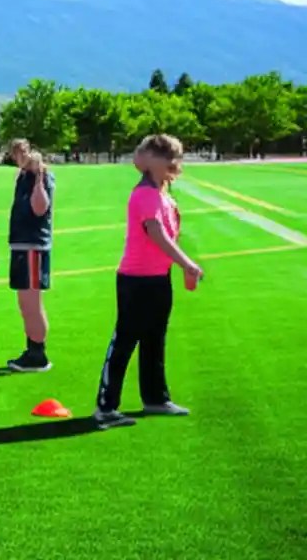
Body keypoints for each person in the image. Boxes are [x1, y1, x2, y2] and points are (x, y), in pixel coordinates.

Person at [93, 135, 204, 429]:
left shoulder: (162, 194)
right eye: (169, 157)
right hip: (136, 280)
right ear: (154, 159)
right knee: (125, 340)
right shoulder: (144, 194)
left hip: (158, 278)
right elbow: (156, 234)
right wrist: (187, 263)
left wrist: (180, 267)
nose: (174, 163)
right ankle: (105, 407)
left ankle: (155, 398)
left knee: (155, 340)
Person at [5, 139, 54, 372]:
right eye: (16, 152)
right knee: (25, 304)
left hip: (33, 246)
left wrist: (38, 177)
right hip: (21, 246)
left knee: (32, 303)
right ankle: (31, 349)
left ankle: (38, 355)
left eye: (23, 151)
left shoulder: (41, 176)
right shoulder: (22, 176)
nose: (20, 156)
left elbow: (40, 208)